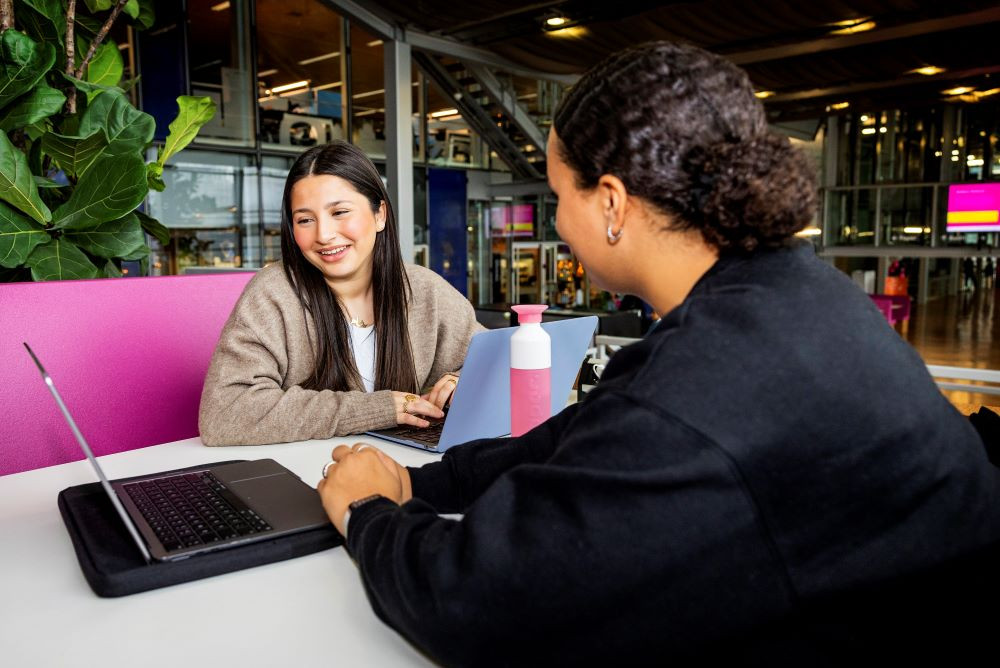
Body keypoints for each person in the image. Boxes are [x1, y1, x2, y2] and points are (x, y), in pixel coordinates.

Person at [316, 43, 1000, 664]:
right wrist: (427, 485)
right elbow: (594, 431)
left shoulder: (705, 381)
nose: (556, 222)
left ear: (611, 203)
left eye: (559, 197)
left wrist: (370, 513)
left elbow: (478, 607)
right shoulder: (792, 293)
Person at [199, 141, 483, 446]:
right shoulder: (274, 294)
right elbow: (224, 414)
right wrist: (378, 409)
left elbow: (498, 362)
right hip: (307, 476)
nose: (323, 235)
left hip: (412, 471)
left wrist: (463, 381)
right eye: (305, 220)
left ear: (379, 215)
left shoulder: (425, 290)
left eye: (340, 212)